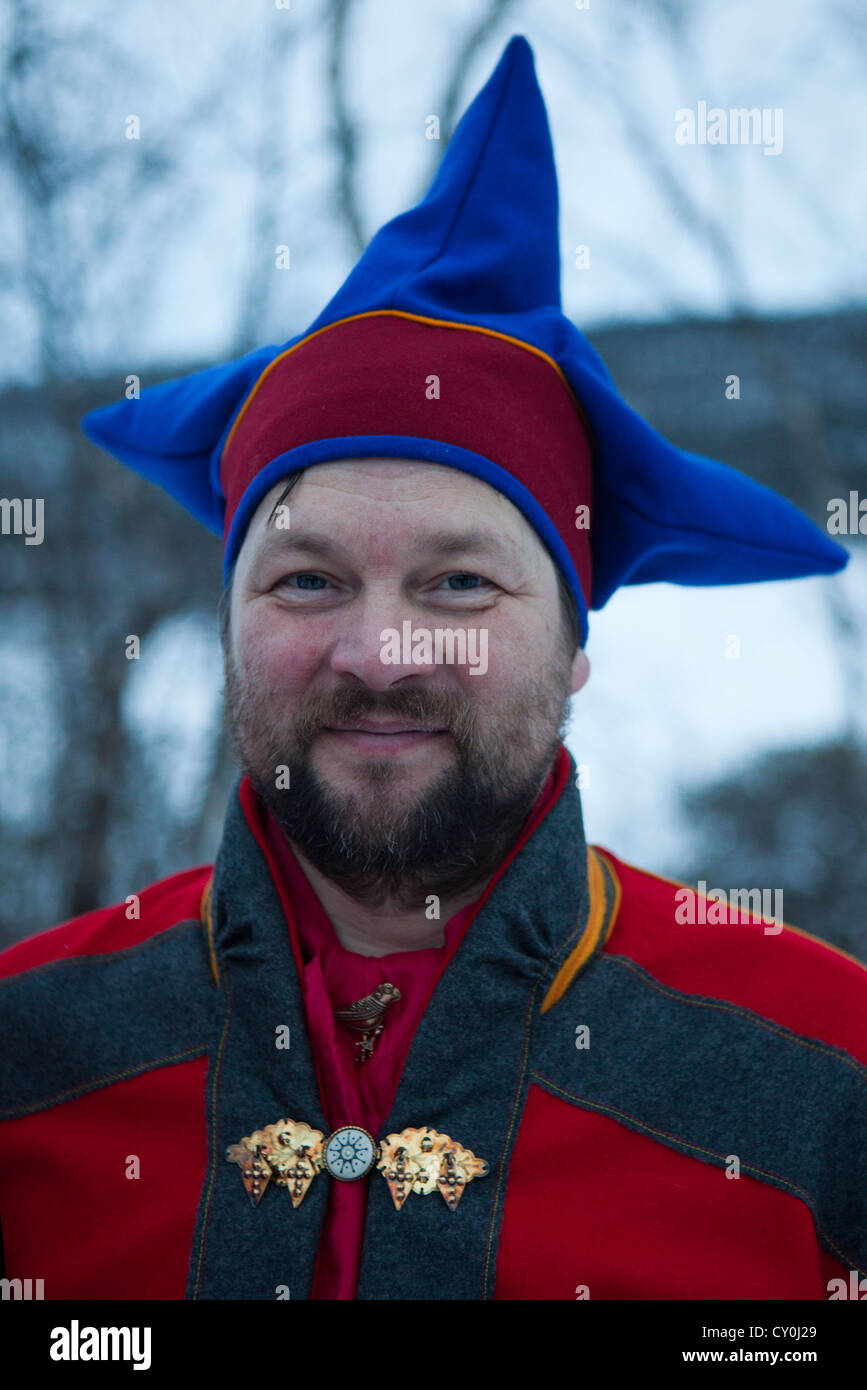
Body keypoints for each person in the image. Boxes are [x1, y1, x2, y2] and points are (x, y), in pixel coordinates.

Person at [1, 35, 864, 1303]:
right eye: (307, 579)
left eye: (459, 582)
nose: (380, 652)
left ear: (573, 646)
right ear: (231, 619)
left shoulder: (826, 1075)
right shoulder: (26, 1058)